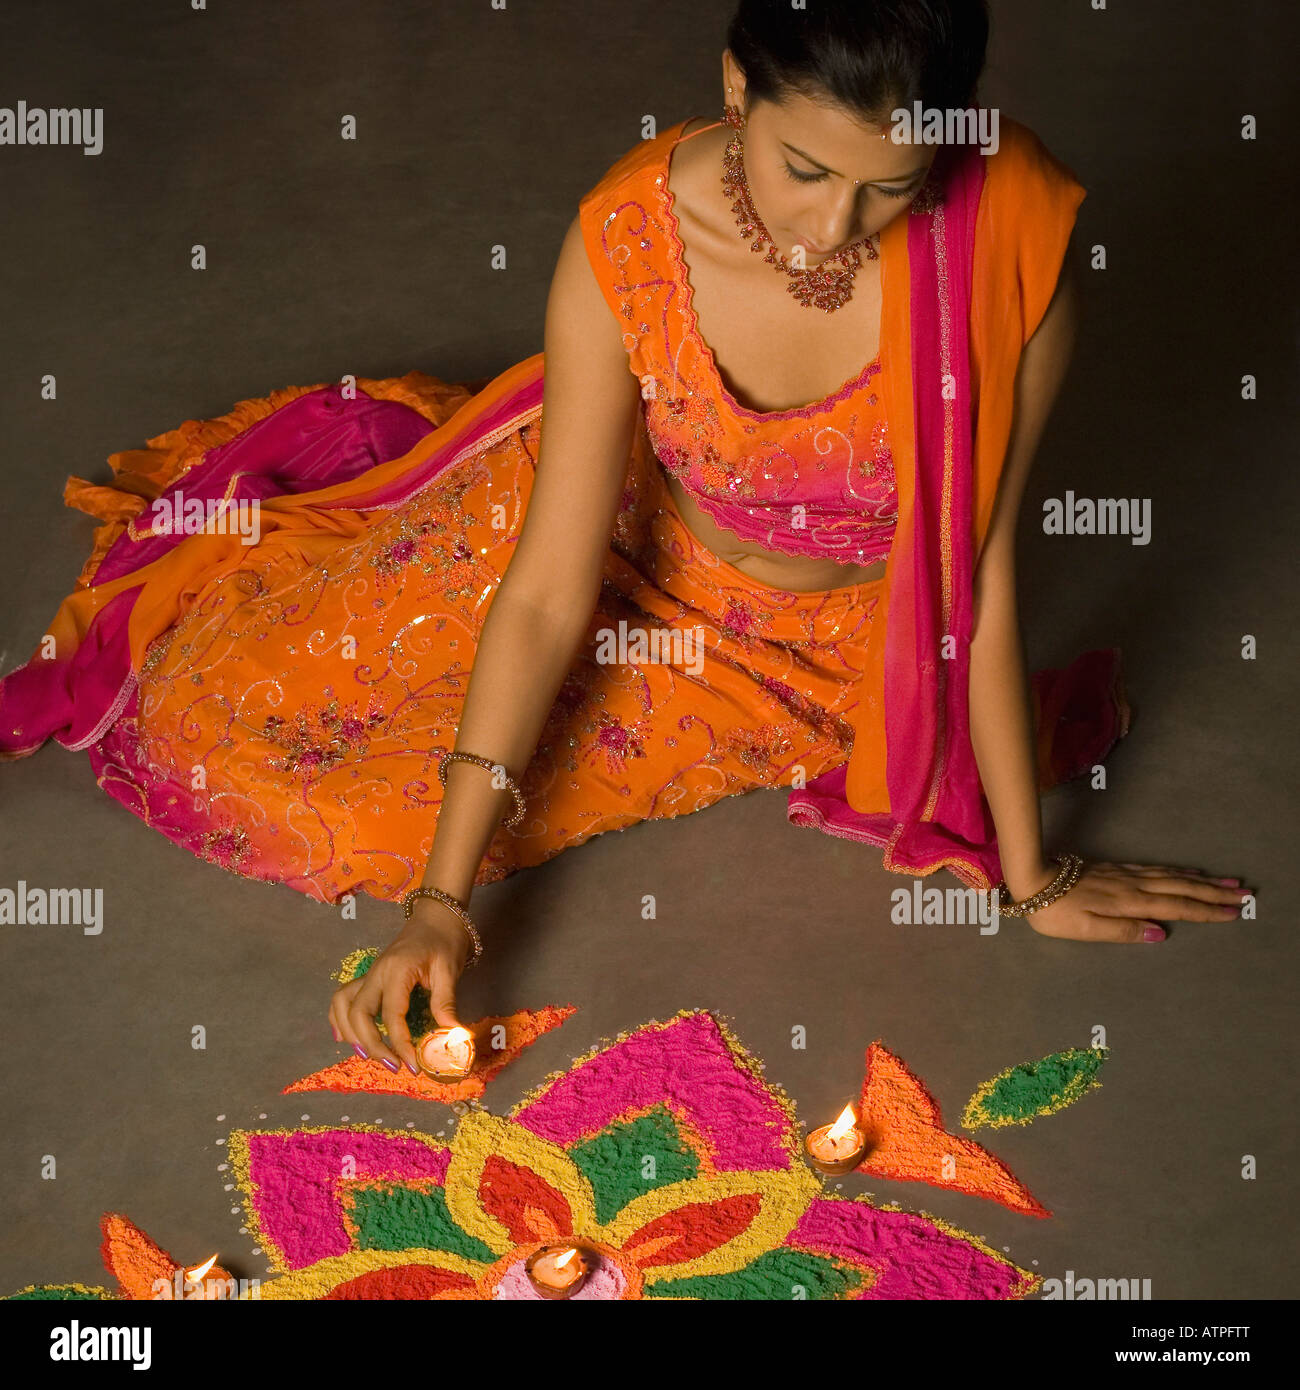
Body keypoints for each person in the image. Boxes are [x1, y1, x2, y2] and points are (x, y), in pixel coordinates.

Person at [0, 0, 1245, 1080]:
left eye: (892, 185)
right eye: (803, 168)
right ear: (733, 88)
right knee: (232, 728)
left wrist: (1028, 877)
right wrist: (444, 904)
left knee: (364, 819)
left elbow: (973, 574)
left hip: (822, 644)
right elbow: (545, 594)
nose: (833, 226)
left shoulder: (1011, 244)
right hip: (614, 533)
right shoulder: (630, 234)